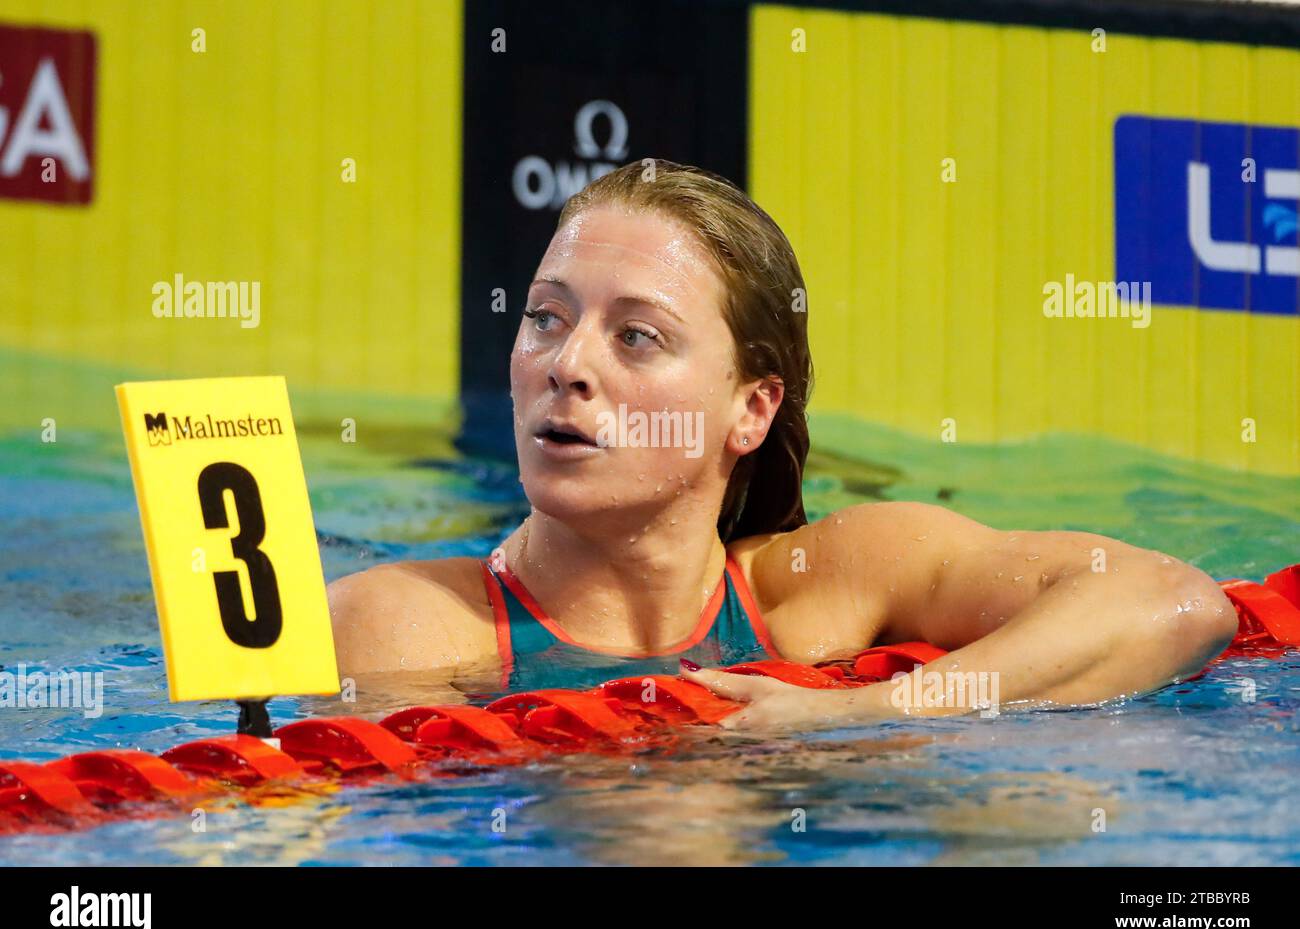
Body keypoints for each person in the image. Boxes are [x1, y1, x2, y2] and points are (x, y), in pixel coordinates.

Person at [327, 159, 1235, 730]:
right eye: (545, 318)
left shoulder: (831, 587)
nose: (567, 365)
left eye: (635, 336)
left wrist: (862, 714)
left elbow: (1174, 603)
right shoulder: (396, 626)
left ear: (751, 410)